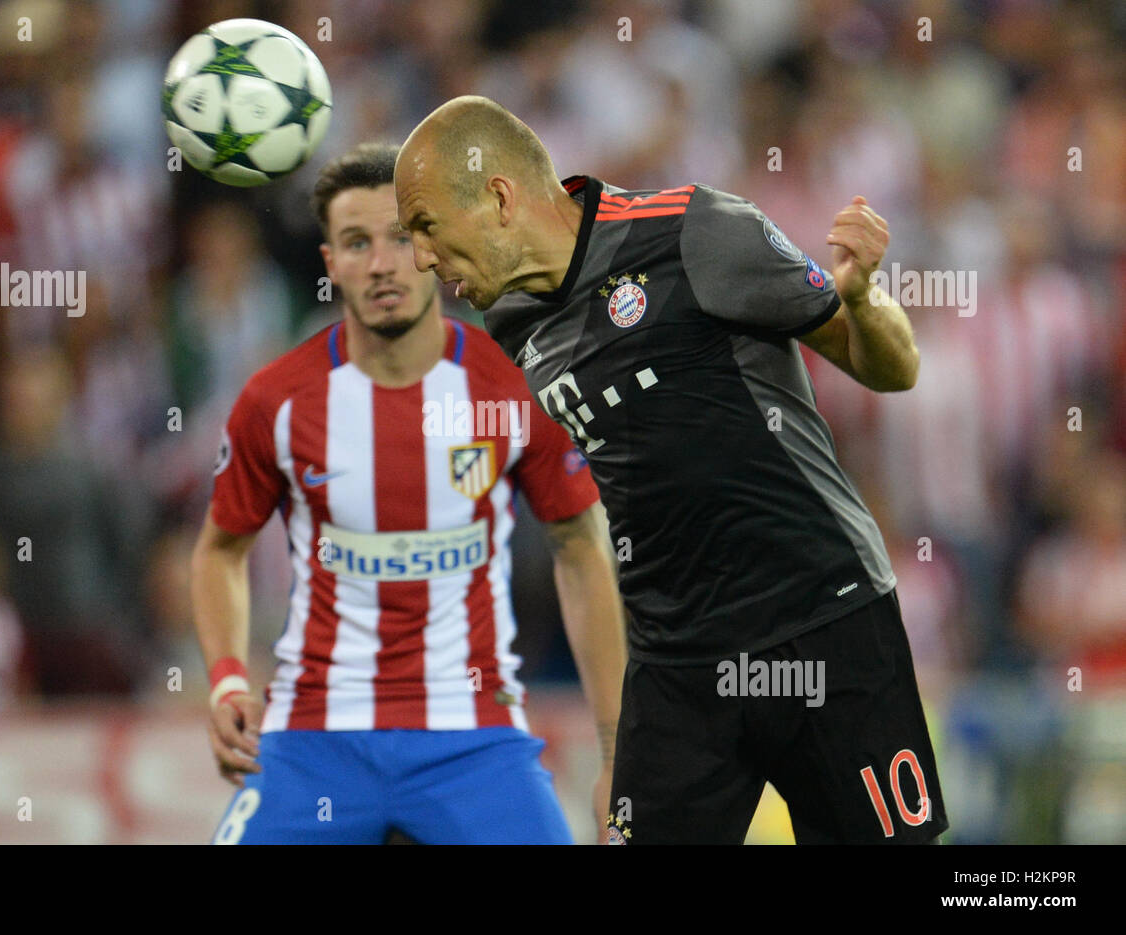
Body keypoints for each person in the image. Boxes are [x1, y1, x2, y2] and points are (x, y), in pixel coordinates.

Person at [395, 96, 948, 844]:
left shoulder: (695, 232)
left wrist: (862, 297)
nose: (422, 258)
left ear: (496, 196)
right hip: (678, 666)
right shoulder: (510, 319)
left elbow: (892, 367)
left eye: (426, 227)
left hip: (824, 619)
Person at [192, 142, 626, 845]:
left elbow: (582, 552)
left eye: (400, 236)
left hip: (473, 734)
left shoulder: (512, 387)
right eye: (356, 243)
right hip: (314, 734)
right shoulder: (275, 400)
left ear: (431, 245)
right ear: (330, 263)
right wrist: (227, 679)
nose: (382, 263)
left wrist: (616, 754)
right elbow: (219, 551)